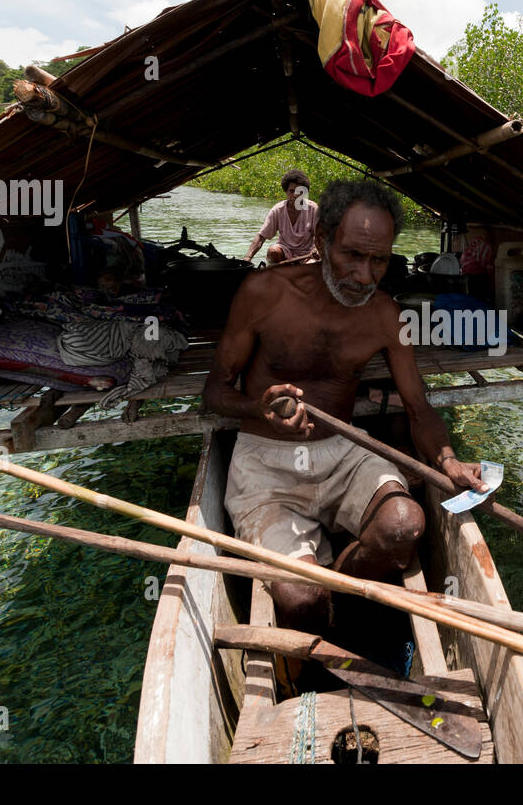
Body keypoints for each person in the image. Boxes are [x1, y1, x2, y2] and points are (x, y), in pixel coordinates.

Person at [204, 180, 487, 634]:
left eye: (379, 260)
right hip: (264, 463)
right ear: (321, 240)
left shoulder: (385, 315)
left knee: (403, 528)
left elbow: (418, 408)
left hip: (343, 450)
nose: (363, 275)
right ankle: (321, 600)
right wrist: (259, 407)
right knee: (299, 598)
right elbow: (213, 393)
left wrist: (448, 460)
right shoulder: (263, 293)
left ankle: (333, 597)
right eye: (352, 255)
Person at [245, 169, 319, 263]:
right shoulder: (278, 210)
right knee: (273, 252)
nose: (295, 195)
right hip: (285, 251)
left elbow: (322, 236)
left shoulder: (313, 209)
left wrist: (317, 249)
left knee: (311, 264)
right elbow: (261, 236)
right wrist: (248, 257)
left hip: (308, 253)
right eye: (291, 191)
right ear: (286, 191)